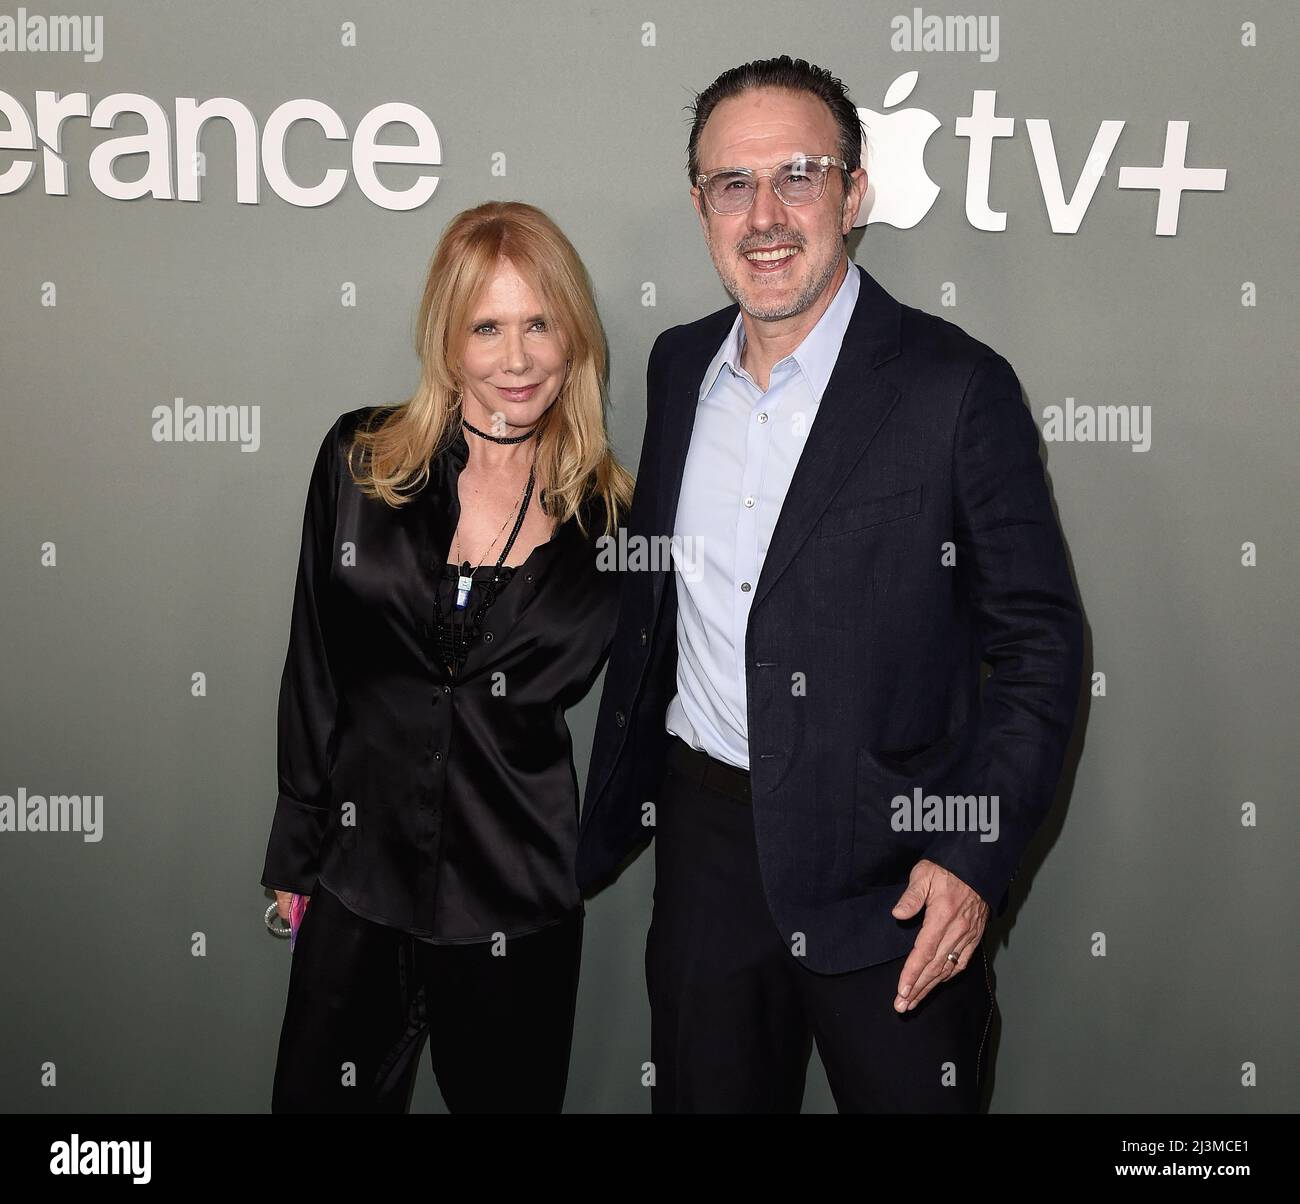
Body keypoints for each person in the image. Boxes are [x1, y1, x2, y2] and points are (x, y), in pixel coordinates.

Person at [578, 56, 1084, 1112]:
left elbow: (1039, 648)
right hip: (708, 851)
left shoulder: (958, 388)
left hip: (894, 872)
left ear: (853, 192)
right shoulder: (678, 370)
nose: (764, 215)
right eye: (732, 184)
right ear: (700, 204)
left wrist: (971, 857)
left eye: (798, 175)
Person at [261, 200, 633, 1113]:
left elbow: (653, 705)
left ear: (574, 334)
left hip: (517, 912)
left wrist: (586, 859)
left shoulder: (614, 524)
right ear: (446, 336)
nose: (517, 358)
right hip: (356, 886)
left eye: (540, 323)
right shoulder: (360, 462)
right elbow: (315, 663)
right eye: (488, 327)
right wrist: (295, 852)